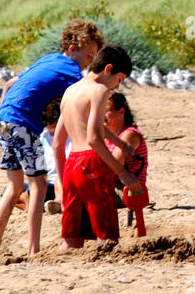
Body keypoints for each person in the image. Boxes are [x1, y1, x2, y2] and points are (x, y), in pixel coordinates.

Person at [0, 19, 105, 256]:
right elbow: (78, 100)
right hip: (23, 125)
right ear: (73, 47)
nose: (90, 61)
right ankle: (33, 250)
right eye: (89, 54)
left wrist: (0, 116)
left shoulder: (49, 59)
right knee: (38, 185)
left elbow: (10, 84)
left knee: (13, 186)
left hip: (5, 121)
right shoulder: (72, 73)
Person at [56, 46, 140, 249]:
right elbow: (94, 138)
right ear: (108, 69)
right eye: (119, 80)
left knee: (72, 237)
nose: (117, 87)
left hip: (72, 163)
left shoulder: (70, 91)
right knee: (107, 236)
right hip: (92, 163)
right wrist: (123, 174)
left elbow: (59, 142)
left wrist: (120, 143)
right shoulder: (100, 91)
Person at [105, 92, 148, 217]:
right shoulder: (107, 136)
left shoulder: (130, 134)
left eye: (106, 110)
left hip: (127, 190)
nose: (102, 115)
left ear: (121, 111)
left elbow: (114, 165)